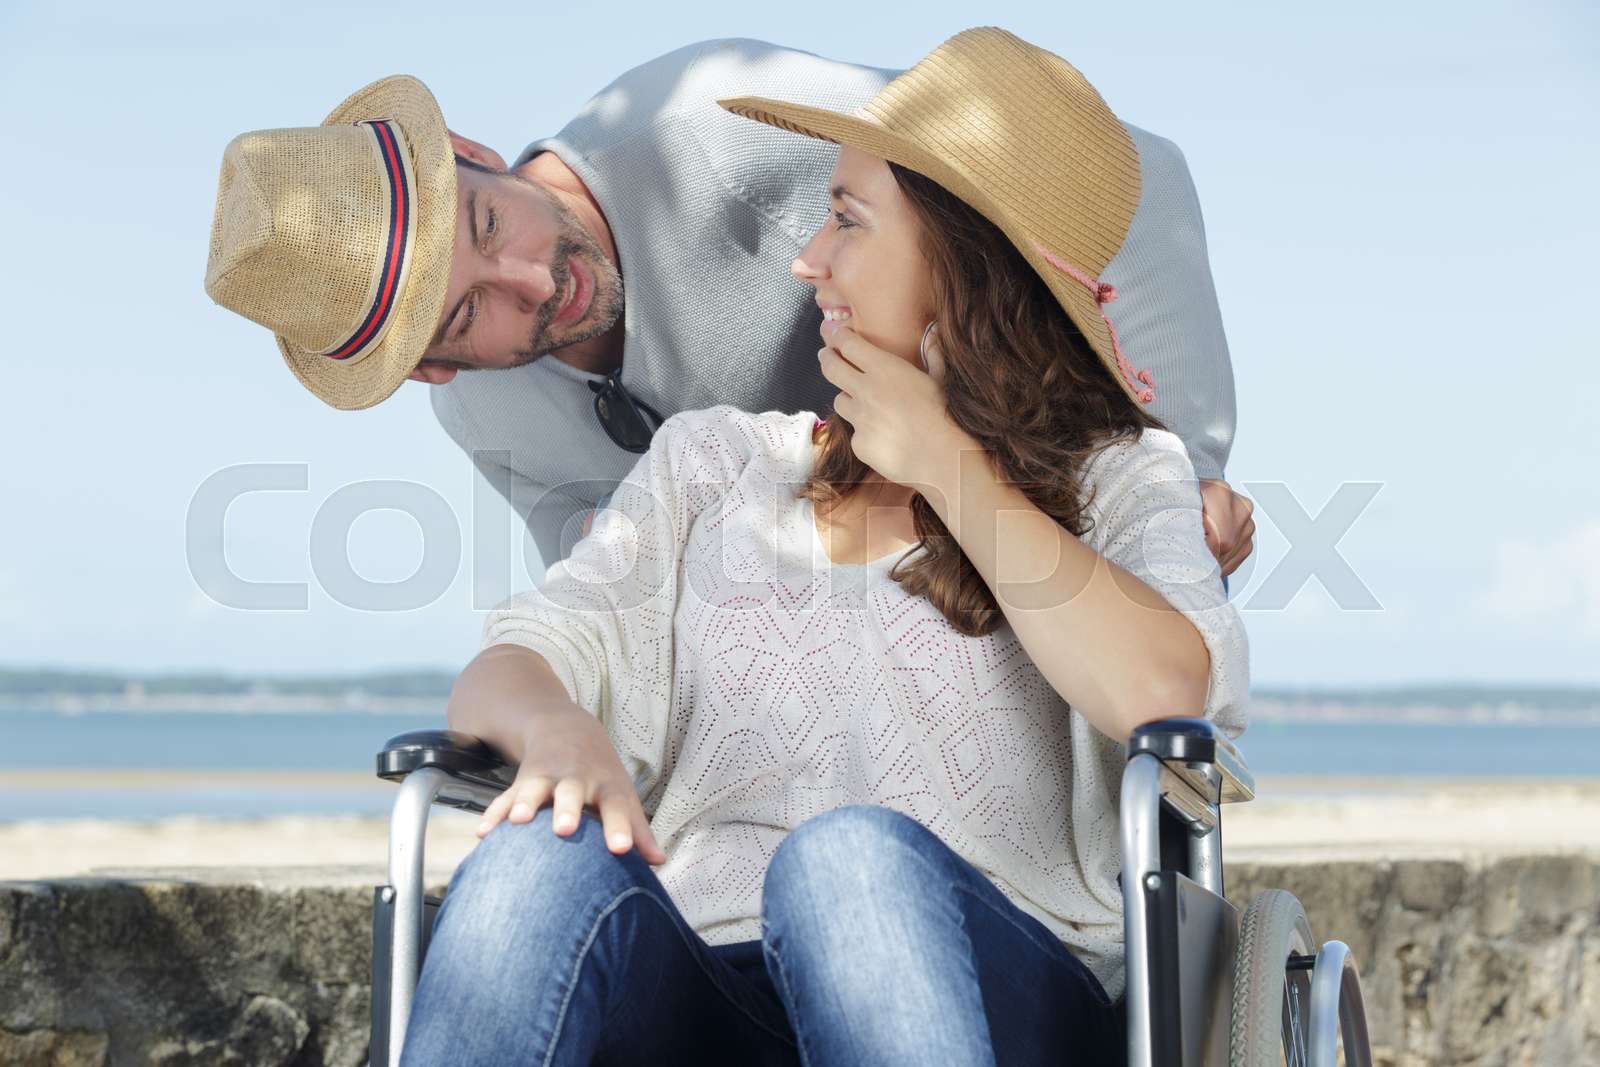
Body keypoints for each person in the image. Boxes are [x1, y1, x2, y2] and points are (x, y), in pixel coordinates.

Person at [396, 28, 1248, 1066]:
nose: (806, 260)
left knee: (844, 859)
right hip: (713, 986)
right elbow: (515, 660)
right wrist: (555, 725)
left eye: (846, 218)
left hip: (997, 987)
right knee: (536, 851)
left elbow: (1166, 691)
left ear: (965, 251)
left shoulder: (1120, 477)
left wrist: (947, 462)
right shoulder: (714, 463)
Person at [202, 38, 1256, 574]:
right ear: (433, 369)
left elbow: (1125, 173)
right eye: (465, 315)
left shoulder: (712, 124)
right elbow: (611, 609)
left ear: (472, 154)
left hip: (1023, 547)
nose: (532, 282)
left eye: (485, 228)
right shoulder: (485, 415)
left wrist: (1176, 467)